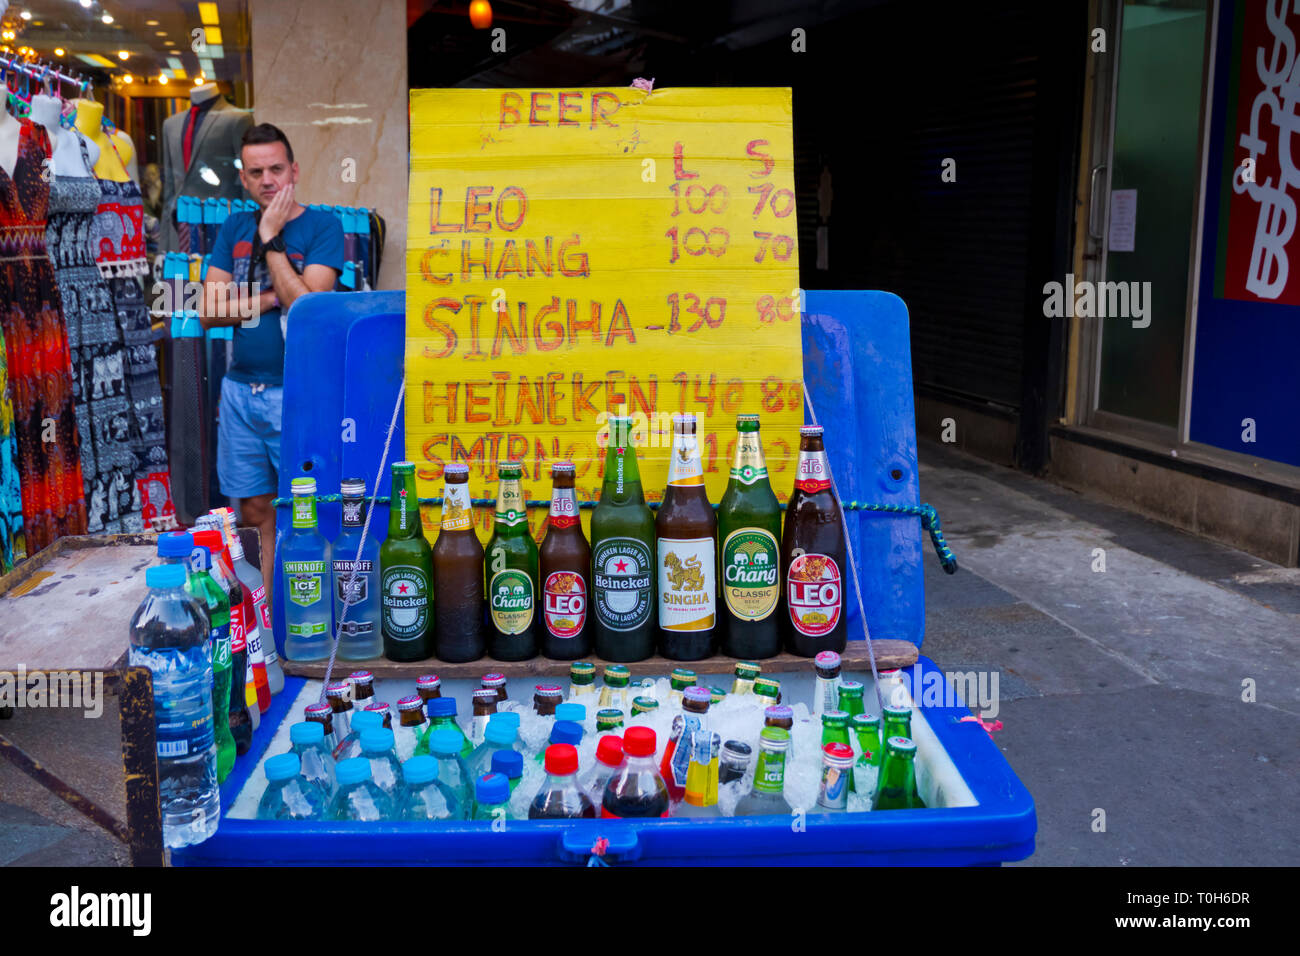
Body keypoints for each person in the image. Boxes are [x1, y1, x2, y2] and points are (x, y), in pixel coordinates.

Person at [201, 123, 344, 601]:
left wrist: (272, 240)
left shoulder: (324, 226)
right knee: (255, 511)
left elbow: (308, 309)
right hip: (240, 393)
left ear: (295, 171)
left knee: (310, 508)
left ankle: (315, 619)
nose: (267, 180)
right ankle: (266, 628)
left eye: (276, 169)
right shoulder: (232, 227)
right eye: (256, 171)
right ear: (243, 178)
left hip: (297, 394)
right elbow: (208, 310)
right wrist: (270, 296)